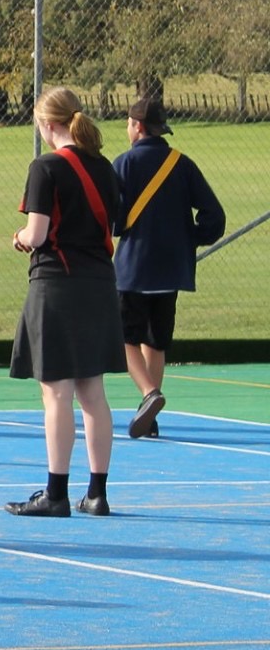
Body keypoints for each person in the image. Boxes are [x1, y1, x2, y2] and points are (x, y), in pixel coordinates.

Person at [7, 86, 125, 517]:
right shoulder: (106, 168)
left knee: (55, 392)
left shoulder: (46, 167)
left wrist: (19, 239)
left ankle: (55, 493)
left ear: (48, 124)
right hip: (99, 282)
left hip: (57, 283)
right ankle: (97, 492)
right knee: (93, 391)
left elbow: (37, 234)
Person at [113, 96, 224, 440]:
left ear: (138, 127)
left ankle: (149, 394)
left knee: (121, 338)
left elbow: (114, 219)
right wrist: (188, 239)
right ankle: (151, 419)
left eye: (130, 123)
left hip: (133, 267)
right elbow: (214, 218)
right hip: (172, 270)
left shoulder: (124, 164)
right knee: (155, 341)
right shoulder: (182, 163)